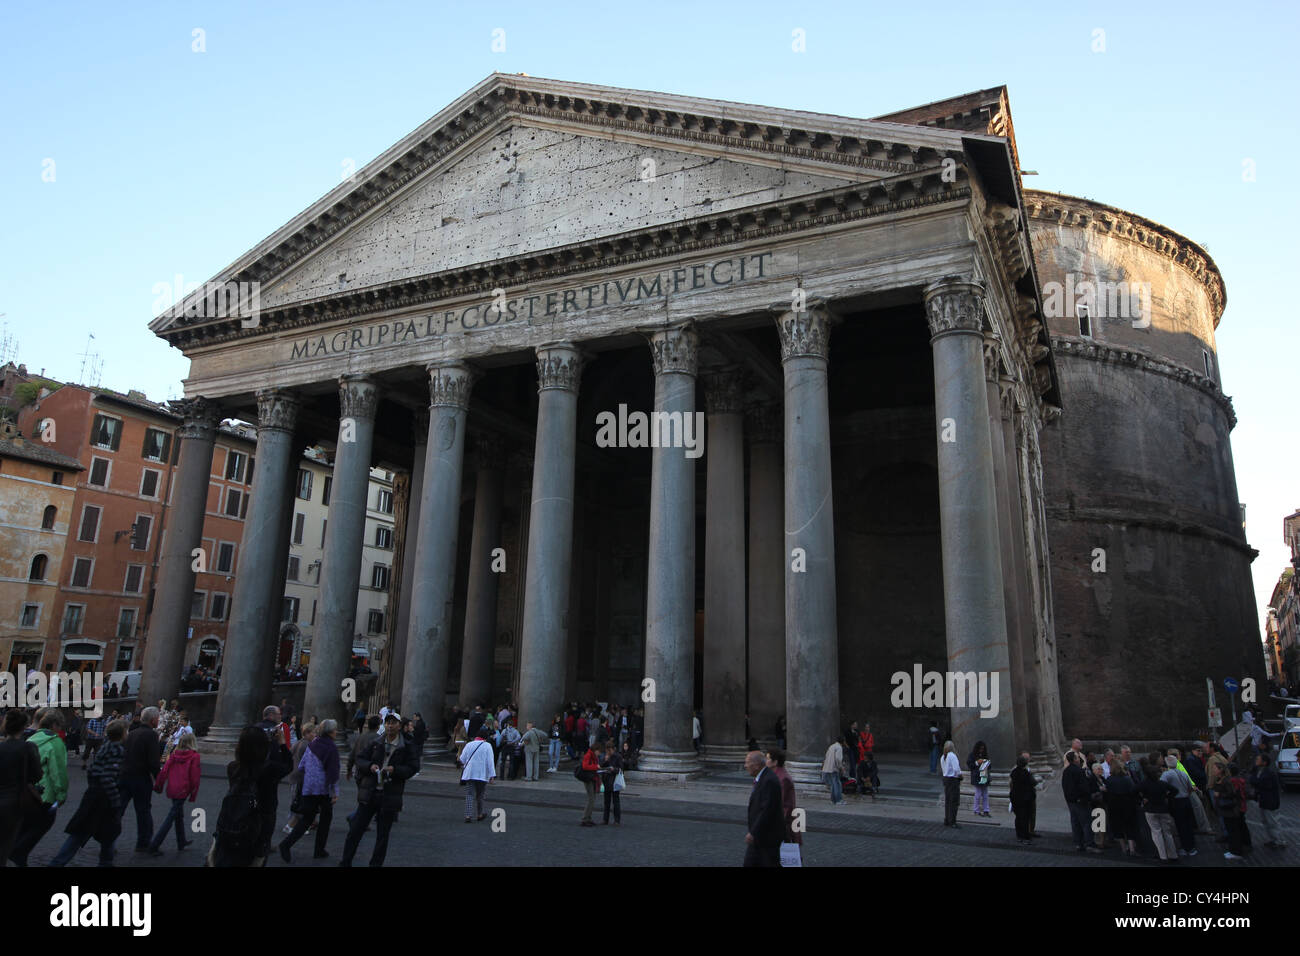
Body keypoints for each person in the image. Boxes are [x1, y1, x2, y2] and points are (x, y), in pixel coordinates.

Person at [340, 712, 419, 867]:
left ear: (399, 726)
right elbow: (360, 758)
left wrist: (394, 770)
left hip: (389, 795)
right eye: (388, 722)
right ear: (384, 725)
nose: (390, 725)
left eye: (393, 722)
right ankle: (345, 862)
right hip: (370, 792)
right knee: (355, 831)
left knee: (382, 836)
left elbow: (414, 767)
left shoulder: (407, 746)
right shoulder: (376, 742)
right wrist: (370, 766)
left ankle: (375, 864)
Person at [210, 725, 293, 867]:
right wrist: (281, 743)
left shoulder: (233, 768)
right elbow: (288, 765)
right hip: (260, 826)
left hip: (233, 822)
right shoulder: (269, 770)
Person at [49, 718, 127, 867]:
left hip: (93, 794)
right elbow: (107, 777)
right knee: (98, 833)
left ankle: (104, 862)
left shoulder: (105, 746)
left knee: (88, 833)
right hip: (103, 799)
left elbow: (92, 771)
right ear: (123, 733)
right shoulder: (117, 749)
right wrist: (116, 800)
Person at [10, 709, 68, 866]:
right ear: (55, 725)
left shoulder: (31, 740)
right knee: (42, 824)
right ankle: (17, 852)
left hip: (27, 793)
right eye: (60, 726)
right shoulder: (55, 742)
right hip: (46, 794)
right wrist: (61, 794)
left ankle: (18, 854)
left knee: (26, 826)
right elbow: (58, 771)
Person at [279, 719, 340, 862]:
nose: (336, 732)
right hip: (323, 789)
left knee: (306, 820)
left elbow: (302, 765)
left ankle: (286, 844)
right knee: (325, 820)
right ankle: (319, 849)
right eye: (335, 730)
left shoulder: (313, 744)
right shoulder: (331, 747)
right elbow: (333, 772)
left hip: (309, 787)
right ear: (330, 732)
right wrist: (334, 792)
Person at [146, 731, 200, 854]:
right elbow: (195, 777)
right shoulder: (194, 756)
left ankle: (181, 841)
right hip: (184, 789)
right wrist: (193, 793)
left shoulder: (174, 755)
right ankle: (155, 844)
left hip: (172, 788)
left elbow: (164, 771)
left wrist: (159, 785)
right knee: (171, 817)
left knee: (178, 814)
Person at [0, 710, 41, 864]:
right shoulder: (28, 748)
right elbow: (36, 775)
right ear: (24, 727)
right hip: (14, 802)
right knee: (5, 844)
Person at [119, 705, 161, 852]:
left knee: (118, 810)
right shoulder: (151, 735)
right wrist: (159, 779)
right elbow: (153, 762)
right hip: (140, 779)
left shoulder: (132, 733)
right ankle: (143, 842)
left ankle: (108, 839)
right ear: (153, 720)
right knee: (143, 811)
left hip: (124, 776)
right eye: (158, 718)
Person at [743, 750, 783, 867]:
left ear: (756, 765)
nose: (745, 766)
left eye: (747, 763)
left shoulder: (769, 780)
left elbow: (767, 810)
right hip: (761, 836)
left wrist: (753, 832)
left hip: (767, 836)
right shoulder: (764, 778)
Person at [1138, 759, 1179, 862]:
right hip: (1163, 809)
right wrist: (1167, 796)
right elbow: (1175, 790)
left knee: (1157, 833)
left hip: (1151, 809)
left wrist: (1143, 798)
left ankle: (1163, 855)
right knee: (1167, 833)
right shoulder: (1162, 784)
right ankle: (1173, 854)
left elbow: (1133, 791)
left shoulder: (1145, 784)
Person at [1061, 751, 1100, 853]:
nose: (1079, 760)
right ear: (1074, 759)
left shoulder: (1066, 771)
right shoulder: (1079, 771)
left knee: (1075, 823)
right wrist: (1088, 797)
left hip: (1071, 801)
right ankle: (1089, 844)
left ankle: (1078, 843)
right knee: (1086, 822)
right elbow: (1084, 787)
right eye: (1077, 758)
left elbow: (1065, 786)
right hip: (1080, 801)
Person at [765, 749, 800, 859]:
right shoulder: (776, 775)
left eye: (767, 758)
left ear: (775, 762)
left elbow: (782, 804)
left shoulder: (782, 778)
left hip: (782, 825)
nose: (765, 761)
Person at [1160, 754, 1196, 857]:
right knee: (1188, 824)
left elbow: (1162, 787)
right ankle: (1191, 846)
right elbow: (1190, 788)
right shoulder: (1183, 774)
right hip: (1186, 800)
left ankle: (1185, 847)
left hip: (1176, 801)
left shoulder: (1166, 775)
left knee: (1181, 825)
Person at [1210, 761, 1248, 861]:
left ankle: (1236, 852)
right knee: (1231, 830)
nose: (1213, 770)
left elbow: (1232, 794)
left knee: (1233, 831)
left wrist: (1220, 795)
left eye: (1215, 768)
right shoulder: (1222, 780)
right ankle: (1233, 850)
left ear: (1220, 770)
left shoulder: (1226, 781)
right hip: (1226, 810)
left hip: (1230, 810)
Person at [1248, 753, 1287, 847]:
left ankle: (1279, 840)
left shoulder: (1268, 773)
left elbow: (1259, 783)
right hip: (1265, 800)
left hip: (1269, 801)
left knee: (1271, 821)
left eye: (1258, 759)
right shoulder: (1262, 771)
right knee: (1266, 820)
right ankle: (1274, 839)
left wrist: (1252, 776)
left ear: (1264, 762)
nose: (1256, 760)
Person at [1105, 755, 1140, 856]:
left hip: (1114, 806)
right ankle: (1132, 848)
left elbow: (1107, 793)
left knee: (1118, 826)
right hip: (1127, 805)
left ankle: (1123, 848)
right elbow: (1133, 791)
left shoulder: (1109, 780)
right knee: (1130, 826)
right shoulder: (1127, 779)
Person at [459, 727, 495, 823]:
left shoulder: (469, 744)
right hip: (482, 774)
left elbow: (462, 759)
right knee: (480, 795)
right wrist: (492, 775)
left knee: (469, 794)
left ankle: (468, 815)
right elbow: (490, 761)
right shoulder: (487, 746)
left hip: (470, 773)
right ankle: (479, 814)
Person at [599, 740, 623, 825]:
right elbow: (601, 766)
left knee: (616, 801)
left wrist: (614, 769)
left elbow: (620, 769)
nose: (608, 752)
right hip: (606, 780)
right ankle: (605, 819)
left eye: (609, 750)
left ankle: (617, 820)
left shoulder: (618, 757)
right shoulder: (605, 756)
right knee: (606, 801)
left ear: (613, 749)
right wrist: (605, 760)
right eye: (607, 750)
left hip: (615, 781)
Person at [940, 740, 962, 827]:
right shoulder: (952, 756)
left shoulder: (943, 757)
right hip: (953, 780)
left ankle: (947, 819)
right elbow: (956, 769)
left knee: (948, 801)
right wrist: (960, 775)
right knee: (954, 801)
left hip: (946, 779)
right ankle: (952, 820)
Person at [821, 736, 845, 806]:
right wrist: (841, 767)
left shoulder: (832, 746)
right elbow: (838, 759)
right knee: (837, 784)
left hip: (827, 768)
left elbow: (826, 756)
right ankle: (838, 800)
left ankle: (833, 800)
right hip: (834, 768)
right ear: (843, 742)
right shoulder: (839, 748)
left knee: (833, 785)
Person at [968, 741, 990, 817]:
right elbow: (970, 764)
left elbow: (989, 766)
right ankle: (976, 810)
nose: (981, 750)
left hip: (984, 775)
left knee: (985, 794)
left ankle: (986, 810)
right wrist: (977, 763)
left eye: (983, 749)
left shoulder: (985, 755)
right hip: (977, 776)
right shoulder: (972, 755)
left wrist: (986, 763)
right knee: (978, 794)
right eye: (980, 749)